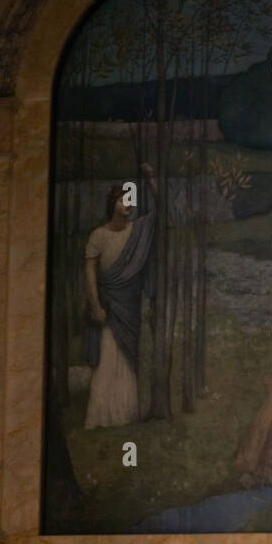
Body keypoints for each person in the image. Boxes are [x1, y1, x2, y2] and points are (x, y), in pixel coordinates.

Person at [84, 166, 156, 429]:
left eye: (130, 200)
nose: (127, 205)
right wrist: (95, 305)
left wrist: (150, 180)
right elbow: (90, 273)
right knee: (107, 357)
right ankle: (102, 417)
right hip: (108, 307)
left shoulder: (136, 231)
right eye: (123, 199)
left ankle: (125, 414)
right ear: (112, 203)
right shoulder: (99, 235)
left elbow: (161, 212)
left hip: (130, 307)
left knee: (127, 359)